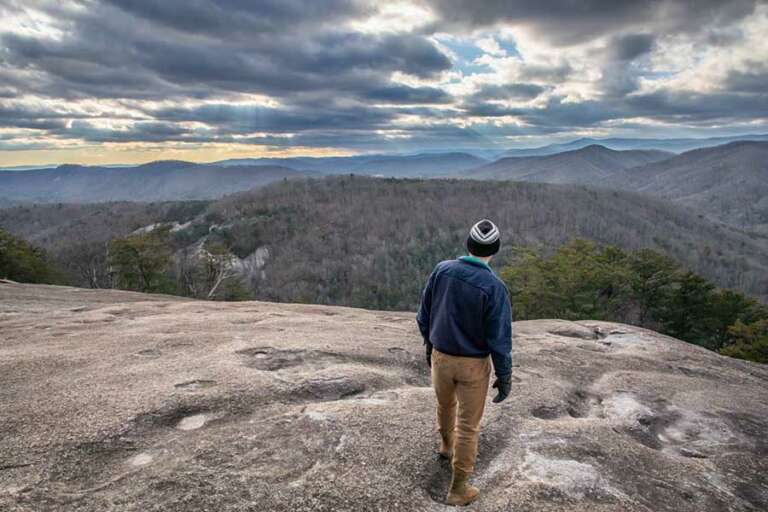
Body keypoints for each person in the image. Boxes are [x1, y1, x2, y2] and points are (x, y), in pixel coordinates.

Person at [416, 219, 513, 506]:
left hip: (441, 357)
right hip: (473, 365)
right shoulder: (495, 287)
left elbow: (424, 314)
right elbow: (500, 340)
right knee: (469, 426)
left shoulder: (442, 270)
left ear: (468, 245)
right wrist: (504, 377)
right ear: (494, 248)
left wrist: (429, 346)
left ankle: (446, 446)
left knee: (445, 405)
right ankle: (458, 488)